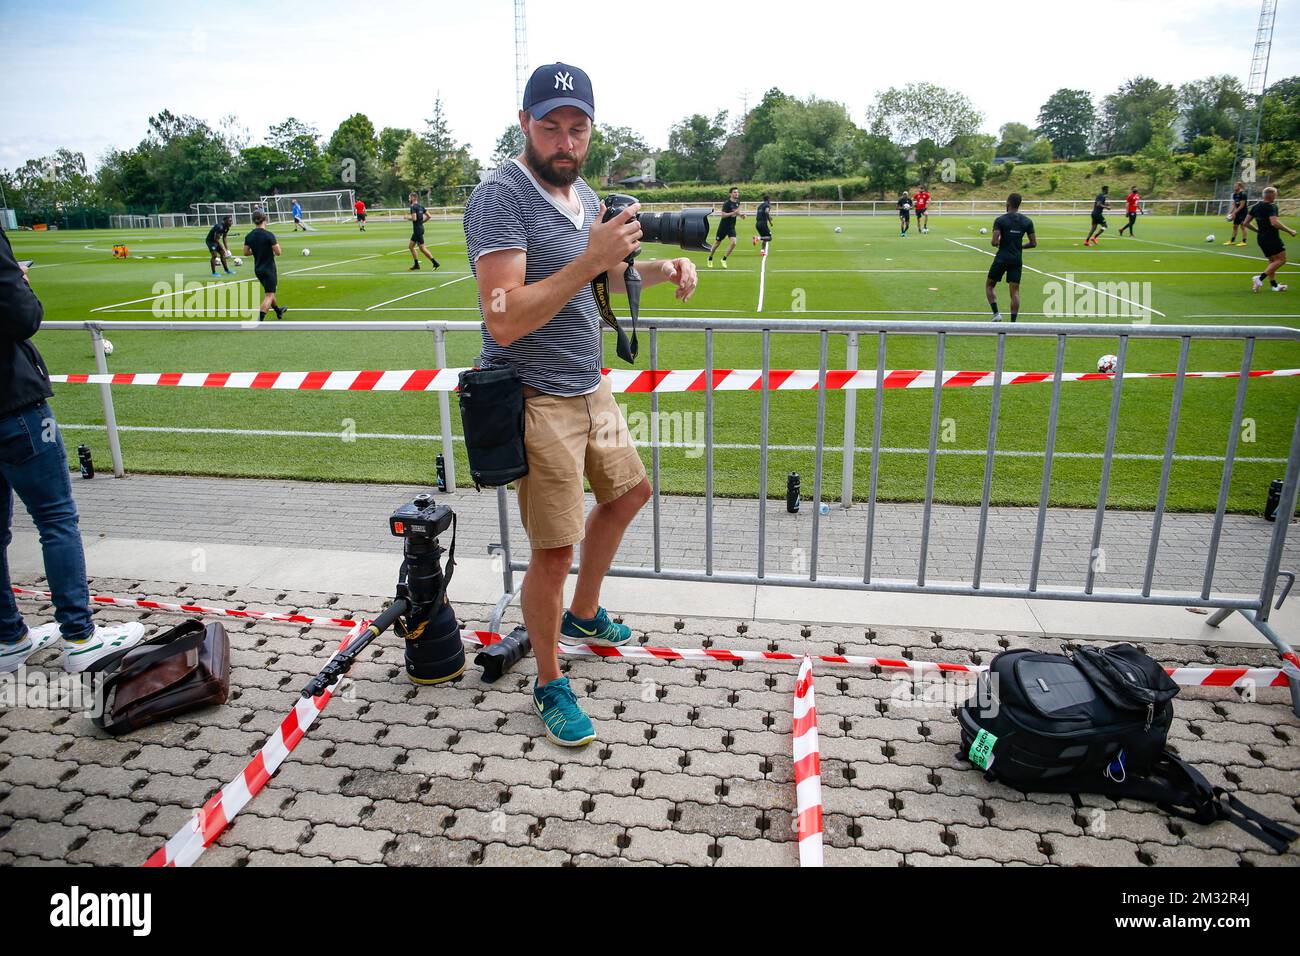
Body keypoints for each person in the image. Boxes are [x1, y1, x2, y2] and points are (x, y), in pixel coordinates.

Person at [463, 61, 697, 747]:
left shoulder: (580, 191)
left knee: (630, 494)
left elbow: (605, 276)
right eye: (550, 127)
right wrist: (592, 259)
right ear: (524, 125)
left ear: (591, 130)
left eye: (577, 128)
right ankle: (547, 680)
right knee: (551, 553)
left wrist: (657, 269)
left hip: (587, 384)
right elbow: (504, 316)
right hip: (536, 399)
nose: (565, 141)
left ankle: (585, 613)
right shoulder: (499, 197)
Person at [1, 224, 146, 675]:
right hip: (11, 404)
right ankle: (80, 638)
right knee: (56, 519)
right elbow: (23, 316)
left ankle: (9, 637)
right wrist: (21, 281)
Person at [985, 193, 1036, 323]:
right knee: (1015, 292)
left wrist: (1003, 241)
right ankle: (1013, 323)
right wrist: (1019, 246)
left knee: (990, 285)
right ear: (1019, 205)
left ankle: (996, 314)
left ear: (1007, 204)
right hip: (1016, 259)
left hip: (1002, 257)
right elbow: (1033, 243)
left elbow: (994, 242)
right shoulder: (1027, 221)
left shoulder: (1000, 220)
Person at [1244, 186, 1296, 293]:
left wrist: (1258, 231)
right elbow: (1274, 222)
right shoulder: (1272, 207)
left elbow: (1246, 223)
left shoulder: (1256, 206)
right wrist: (1290, 231)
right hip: (1272, 238)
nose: (1276, 196)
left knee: (1272, 261)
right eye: (1275, 194)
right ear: (1272, 195)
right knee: (1281, 259)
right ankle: (1259, 278)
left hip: (1261, 238)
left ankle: (1274, 285)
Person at [243, 209, 287, 320]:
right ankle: (260, 319)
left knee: (269, 291)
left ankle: (278, 310)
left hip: (258, 269)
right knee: (269, 295)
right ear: (265, 219)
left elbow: (246, 252)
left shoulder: (249, 236)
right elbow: (278, 252)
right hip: (269, 269)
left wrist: (257, 250)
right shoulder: (269, 235)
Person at [708, 187, 743, 268]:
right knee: (717, 243)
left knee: (734, 243)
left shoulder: (738, 202)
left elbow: (736, 212)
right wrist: (733, 212)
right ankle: (710, 258)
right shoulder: (727, 203)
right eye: (734, 192)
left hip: (731, 227)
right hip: (723, 226)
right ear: (730, 194)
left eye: (737, 192)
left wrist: (741, 215)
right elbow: (723, 215)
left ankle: (724, 259)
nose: (737, 194)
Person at [407, 192, 441, 271]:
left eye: (409, 198)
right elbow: (429, 216)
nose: (409, 199)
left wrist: (407, 218)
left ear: (413, 198)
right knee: (411, 246)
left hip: (417, 230)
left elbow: (414, 218)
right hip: (420, 229)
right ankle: (416, 264)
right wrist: (422, 222)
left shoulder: (413, 207)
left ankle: (435, 263)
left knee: (422, 248)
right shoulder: (421, 206)